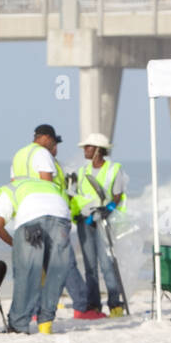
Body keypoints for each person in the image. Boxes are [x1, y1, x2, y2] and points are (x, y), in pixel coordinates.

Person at [0, 176, 72, 334]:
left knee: (27, 273)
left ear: (13, 178)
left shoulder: (10, 188)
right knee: (56, 271)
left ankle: (18, 325)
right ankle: (46, 322)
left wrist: (16, 245)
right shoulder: (49, 186)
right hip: (61, 215)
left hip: (31, 221)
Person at [64, 133, 128, 319]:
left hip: (104, 221)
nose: (85, 150)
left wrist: (108, 209)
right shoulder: (82, 171)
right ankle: (94, 305)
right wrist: (69, 190)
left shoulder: (114, 169)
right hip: (85, 221)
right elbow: (76, 196)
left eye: (88, 147)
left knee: (107, 264)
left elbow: (117, 196)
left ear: (98, 150)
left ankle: (115, 304)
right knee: (90, 266)